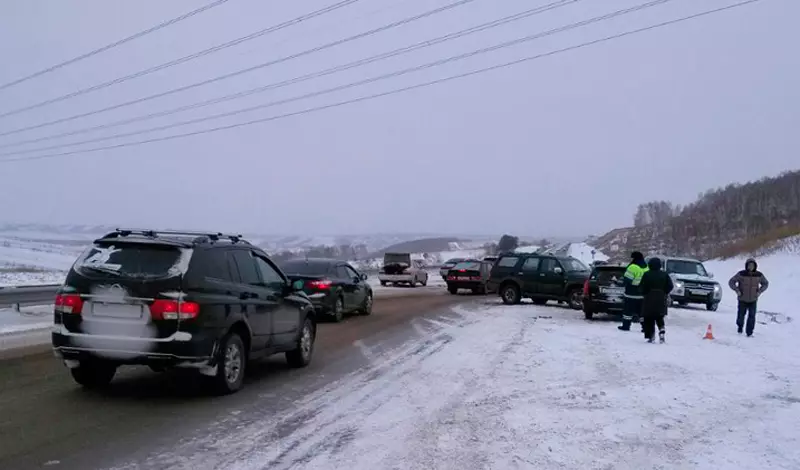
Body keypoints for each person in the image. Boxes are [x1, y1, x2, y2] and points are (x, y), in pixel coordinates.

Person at [728, 258, 769, 337]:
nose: (751, 267)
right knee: (741, 315)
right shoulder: (741, 274)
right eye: (749, 265)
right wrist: (737, 290)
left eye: (752, 265)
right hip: (742, 298)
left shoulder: (759, 275)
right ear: (746, 266)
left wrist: (759, 291)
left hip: (753, 299)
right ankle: (740, 326)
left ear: (755, 266)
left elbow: (765, 283)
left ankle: (749, 332)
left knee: (752, 316)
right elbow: (731, 282)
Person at [640, 257, 674, 343]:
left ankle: (651, 335)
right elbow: (670, 286)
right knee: (659, 316)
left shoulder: (647, 274)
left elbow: (642, 286)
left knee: (649, 317)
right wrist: (664, 292)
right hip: (661, 298)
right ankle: (661, 330)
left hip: (649, 298)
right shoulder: (664, 274)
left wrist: (644, 292)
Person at [618, 251, 648, 331]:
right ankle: (645, 327)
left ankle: (626, 326)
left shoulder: (633, 267)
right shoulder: (646, 267)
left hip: (631, 293)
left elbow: (627, 280)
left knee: (628, 311)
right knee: (641, 312)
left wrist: (619, 282)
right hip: (642, 294)